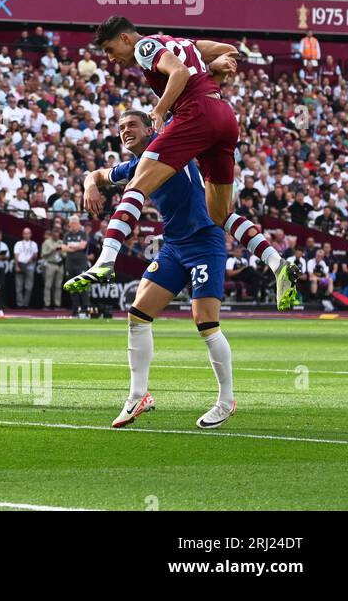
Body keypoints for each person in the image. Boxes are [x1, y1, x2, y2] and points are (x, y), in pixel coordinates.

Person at [67, 17, 299, 311]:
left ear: (125, 38)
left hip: (195, 114)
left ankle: (105, 260)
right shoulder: (185, 43)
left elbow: (177, 73)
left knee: (137, 184)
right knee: (219, 214)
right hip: (224, 118)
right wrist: (223, 62)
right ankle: (277, 263)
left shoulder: (144, 47)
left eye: (111, 49)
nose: (112, 58)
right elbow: (230, 50)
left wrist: (160, 110)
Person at [82, 110, 237, 430]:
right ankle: (138, 395)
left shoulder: (171, 147)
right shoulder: (138, 165)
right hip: (174, 246)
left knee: (206, 321)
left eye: (132, 126)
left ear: (150, 128)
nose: (125, 131)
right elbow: (98, 175)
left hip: (205, 240)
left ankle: (226, 400)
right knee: (137, 313)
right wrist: (89, 183)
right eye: (121, 127)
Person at [62, 215, 90, 318]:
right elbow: (63, 248)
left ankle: (85, 309)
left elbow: (83, 246)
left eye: (75, 223)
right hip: (70, 264)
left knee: (83, 286)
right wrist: (76, 247)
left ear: (79, 224)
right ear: (69, 225)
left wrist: (71, 247)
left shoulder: (83, 234)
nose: (74, 225)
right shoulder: (67, 235)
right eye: (72, 223)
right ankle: (75, 310)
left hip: (81, 263)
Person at [13, 227, 39, 308]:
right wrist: (16, 266)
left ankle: (25, 304)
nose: (27, 234)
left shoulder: (34, 244)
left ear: (30, 234)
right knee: (19, 287)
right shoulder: (18, 243)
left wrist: (31, 258)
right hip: (20, 265)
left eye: (28, 233)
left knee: (29, 287)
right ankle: (19, 304)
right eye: (25, 233)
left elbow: (36, 255)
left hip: (30, 266)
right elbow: (16, 255)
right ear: (23, 234)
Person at [40, 228, 65, 309]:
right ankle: (46, 304)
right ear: (52, 233)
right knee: (48, 285)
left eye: (58, 233)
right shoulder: (47, 242)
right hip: (50, 264)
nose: (57, 234)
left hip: (59, 265)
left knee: (58, 286)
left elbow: (65, 255)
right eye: (55, 232)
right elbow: (43, 255)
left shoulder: (61, 242)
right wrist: (52, 250)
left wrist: (62, 251)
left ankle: (57, 304)